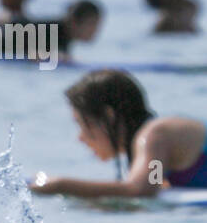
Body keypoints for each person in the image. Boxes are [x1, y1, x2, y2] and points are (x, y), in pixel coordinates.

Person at [30, 69, 207, 197]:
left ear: (109, 115)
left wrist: (60, 186)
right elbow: (155, 182)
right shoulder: (157, 146)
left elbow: (143, 189)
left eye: (82, 124)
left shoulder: (155, 136)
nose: (80, 138)